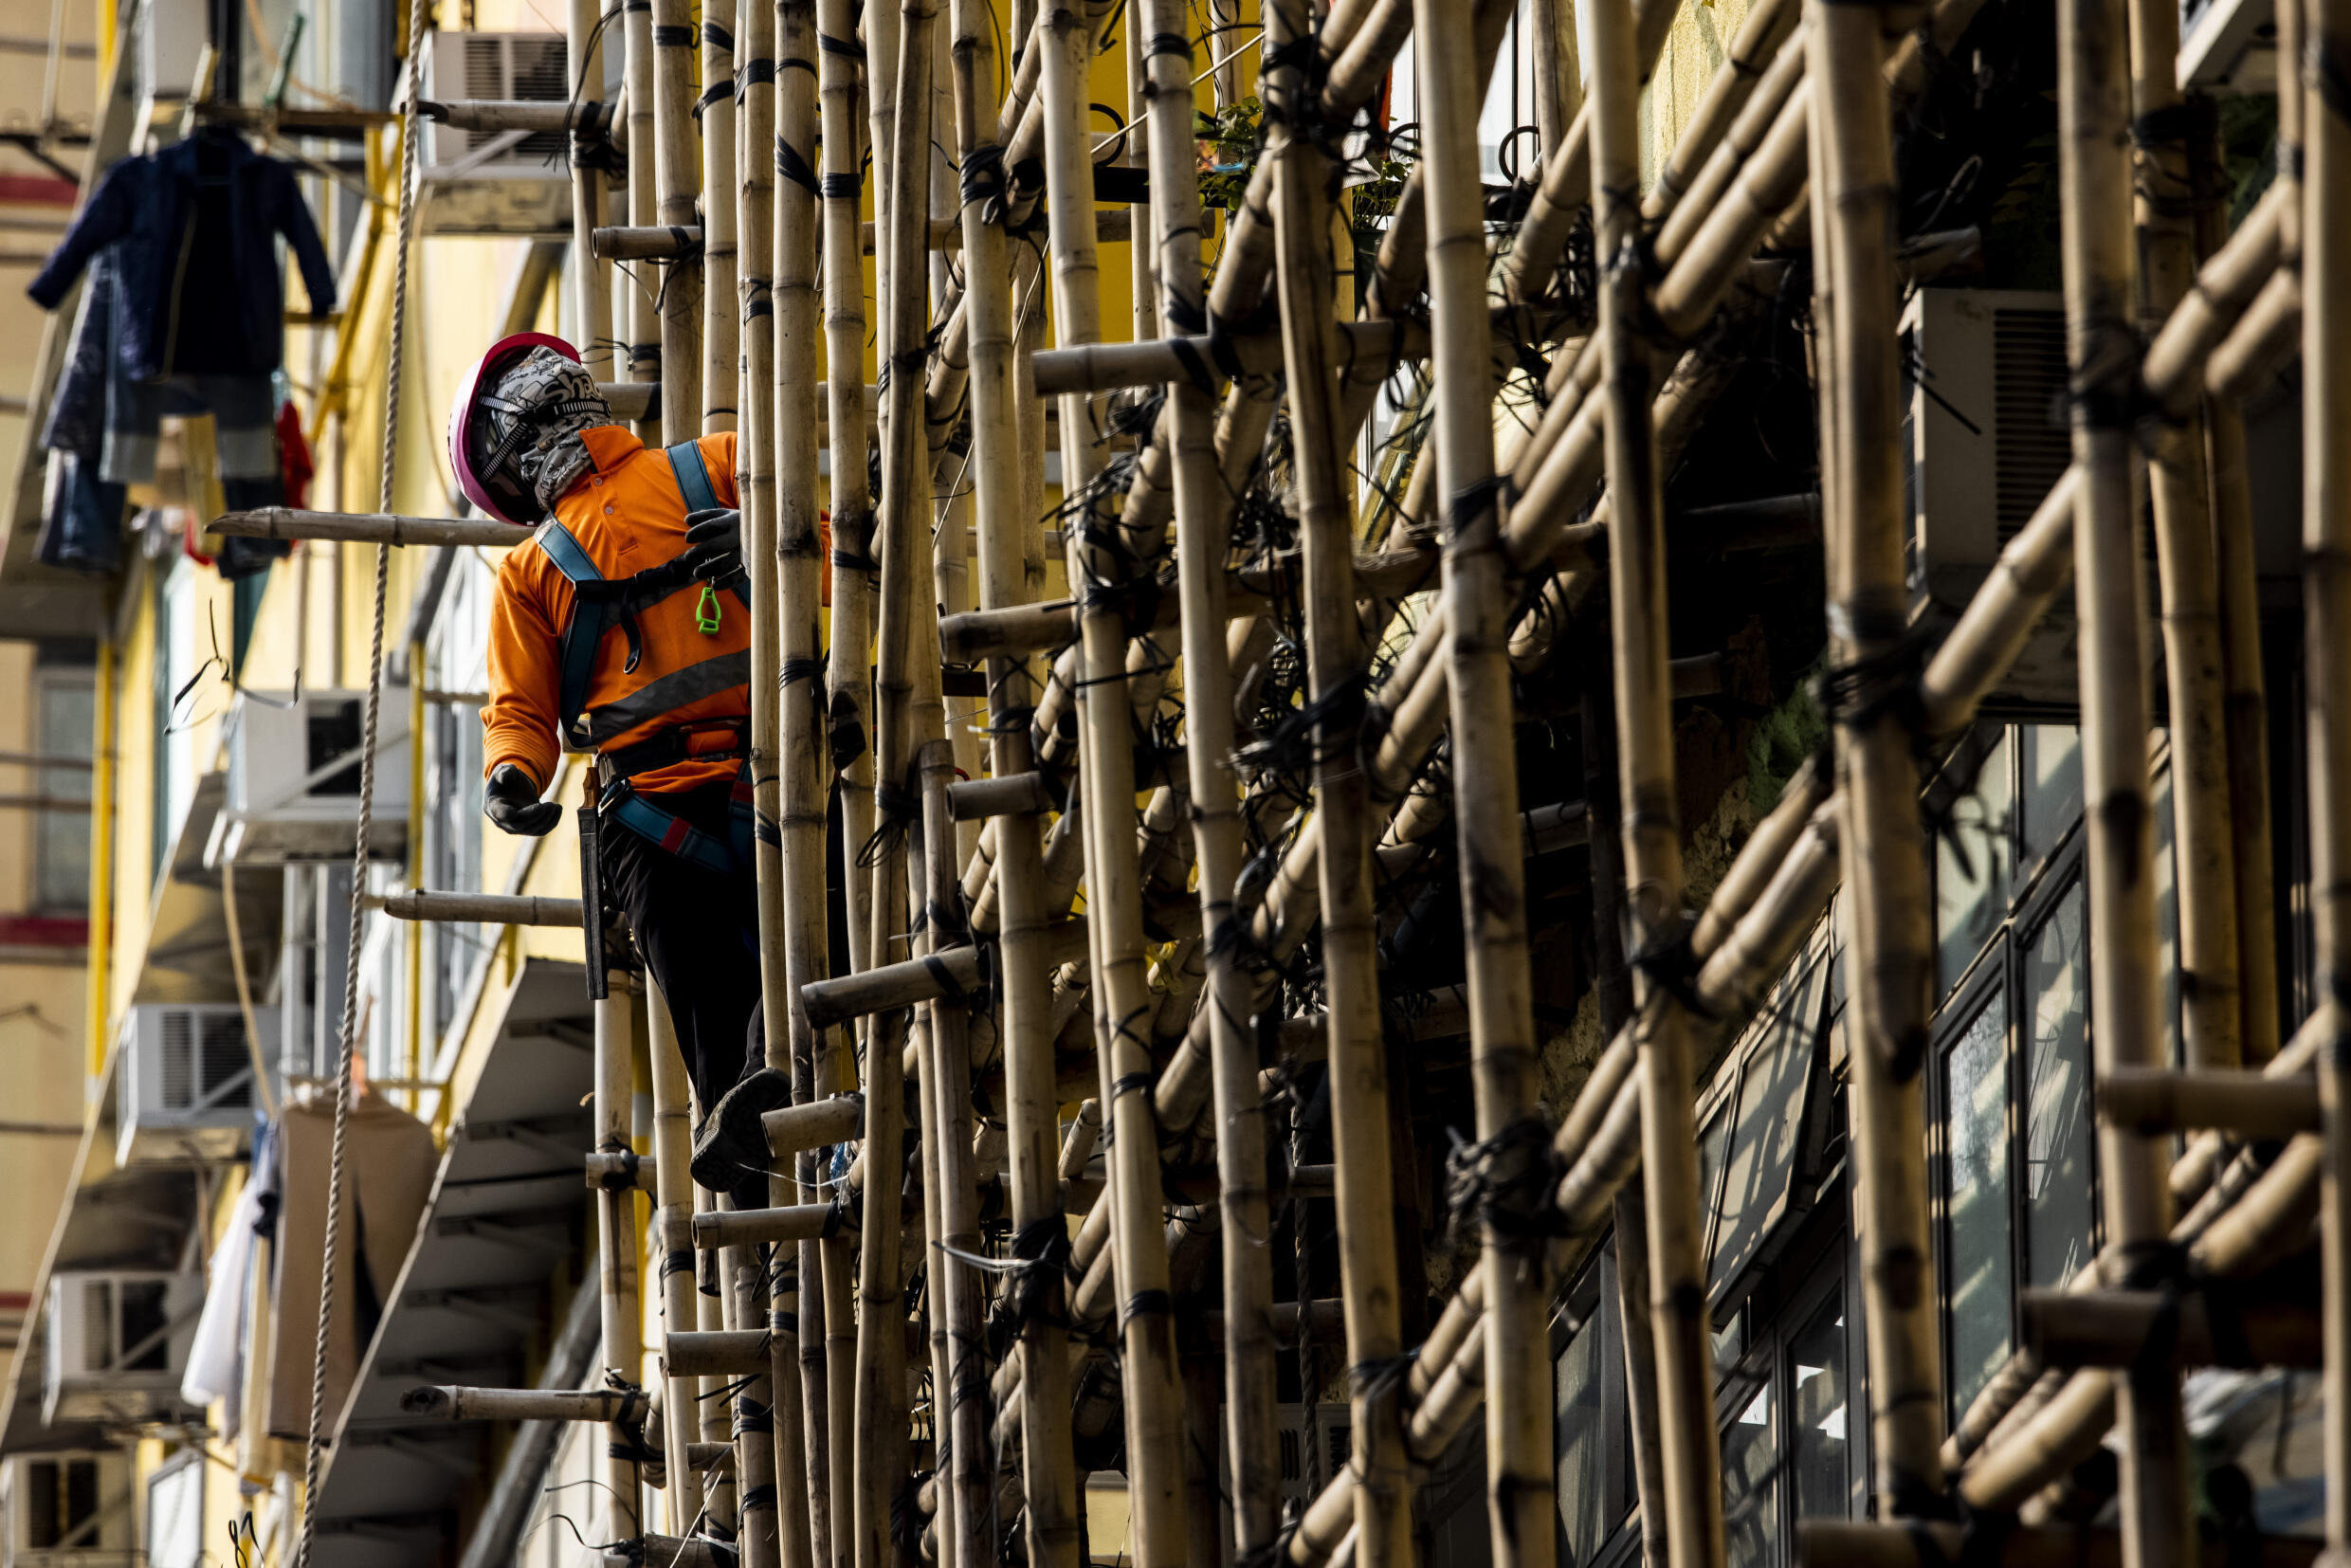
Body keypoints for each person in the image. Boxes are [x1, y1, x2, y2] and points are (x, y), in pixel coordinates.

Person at [453, 332, 788, 1206]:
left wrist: (765, 544)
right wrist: (511, 775)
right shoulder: (538, 570)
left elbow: (834, 552)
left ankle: (756, 1140)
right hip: (676, 804)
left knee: (743, 990)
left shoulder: (719, 471)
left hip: (750, 773)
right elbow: (519, 714)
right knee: (740, 987)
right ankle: (752, 1171)